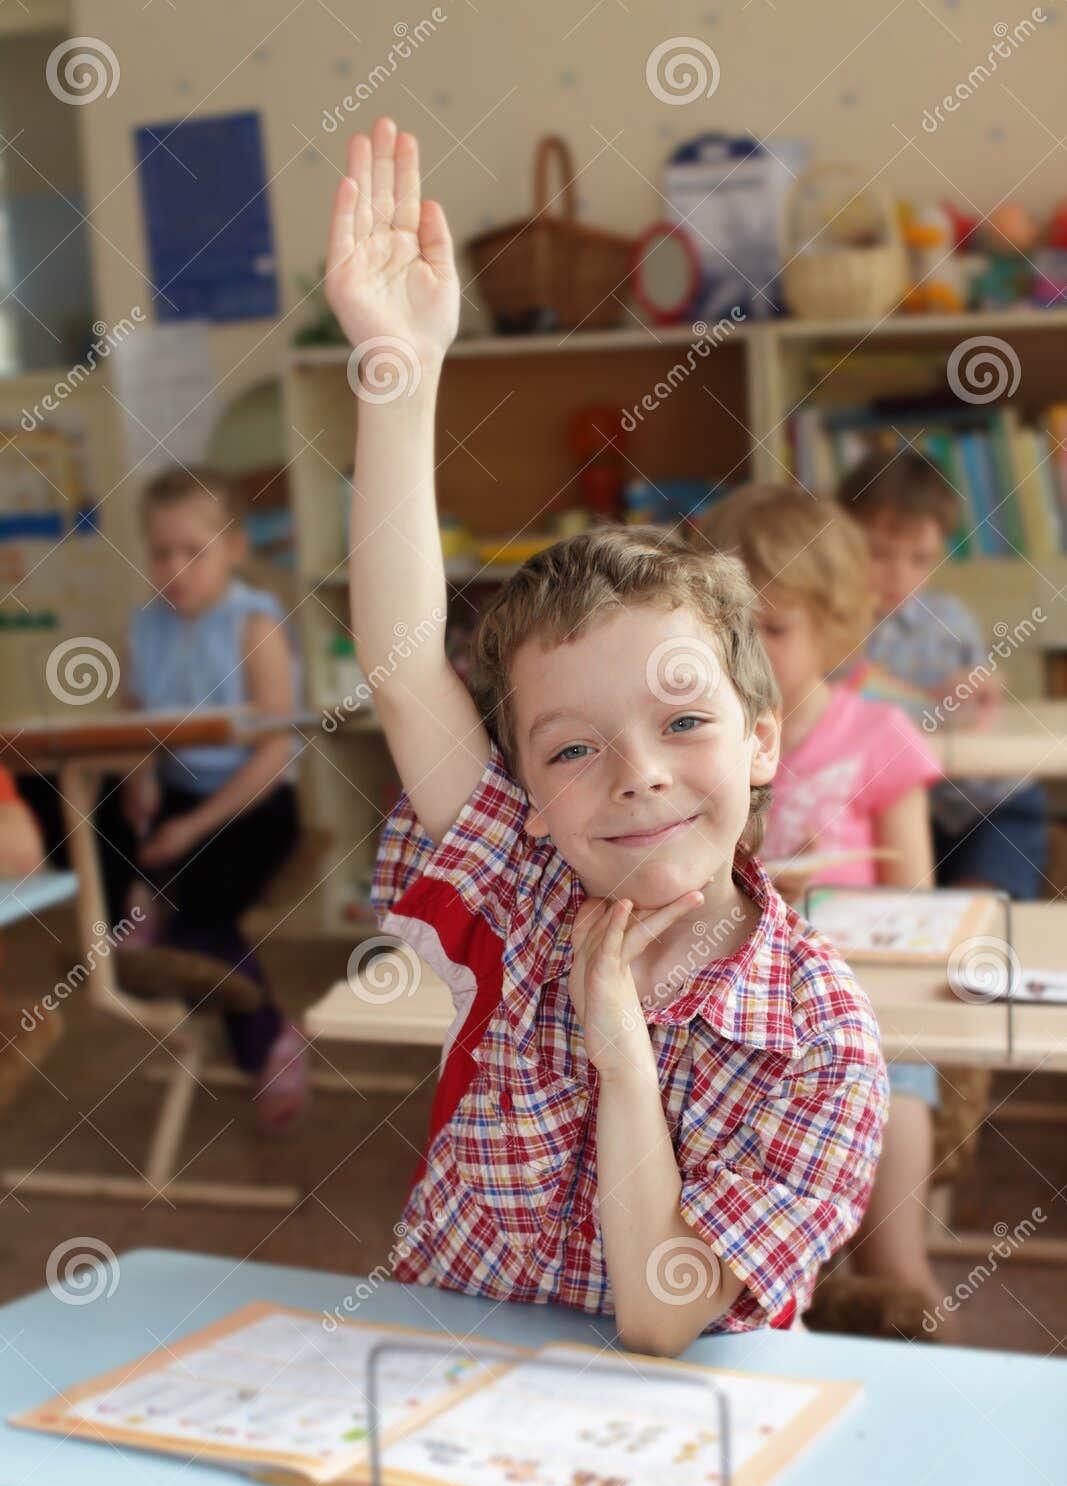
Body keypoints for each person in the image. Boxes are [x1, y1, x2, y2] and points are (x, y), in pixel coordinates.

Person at [322, 117, 887, 1355]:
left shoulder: (823, 1040)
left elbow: (659, 1316)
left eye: (681, 721)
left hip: (673, 1464)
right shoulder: (525, 879)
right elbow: (407, 665)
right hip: (449, 1391)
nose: (633, 773)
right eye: (570, 747)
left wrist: (620, 1056)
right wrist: (398, 369)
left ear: (759, 738)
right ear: (520, 785)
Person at [701, 486, 943, 1309]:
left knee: (896, 1082)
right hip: (744, 1007)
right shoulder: (705, 745)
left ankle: (894, 1280)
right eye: (732, 632)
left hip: (867, 1003)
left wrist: (827, 908)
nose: (751, 655)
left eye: (772, 629)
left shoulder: (880, 737)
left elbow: (920, 906)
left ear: (835, 624)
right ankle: (772, 1291)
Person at [99, 465, 306, 1134]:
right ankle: (127, 914)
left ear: (234, 549)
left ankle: (267, 1037)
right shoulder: (144, 625)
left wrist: (188, 831)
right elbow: (130, 724)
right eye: (160, 552)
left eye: (194, 551)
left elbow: (273, 754)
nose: (174, 567)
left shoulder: (254, 626)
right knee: (89, 792)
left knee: (202, 911)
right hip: (177, 795)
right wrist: (139, 783)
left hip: (250, 805)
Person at [838, 445, 1048, 900]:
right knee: (895, 915)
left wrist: (981, 689)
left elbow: (985, 691)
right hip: (896, 815)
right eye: (879, 554)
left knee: (979, 918)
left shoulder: (949, 619)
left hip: (988, 807)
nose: (898, 574)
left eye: (919, 559)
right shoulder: (827, 627)